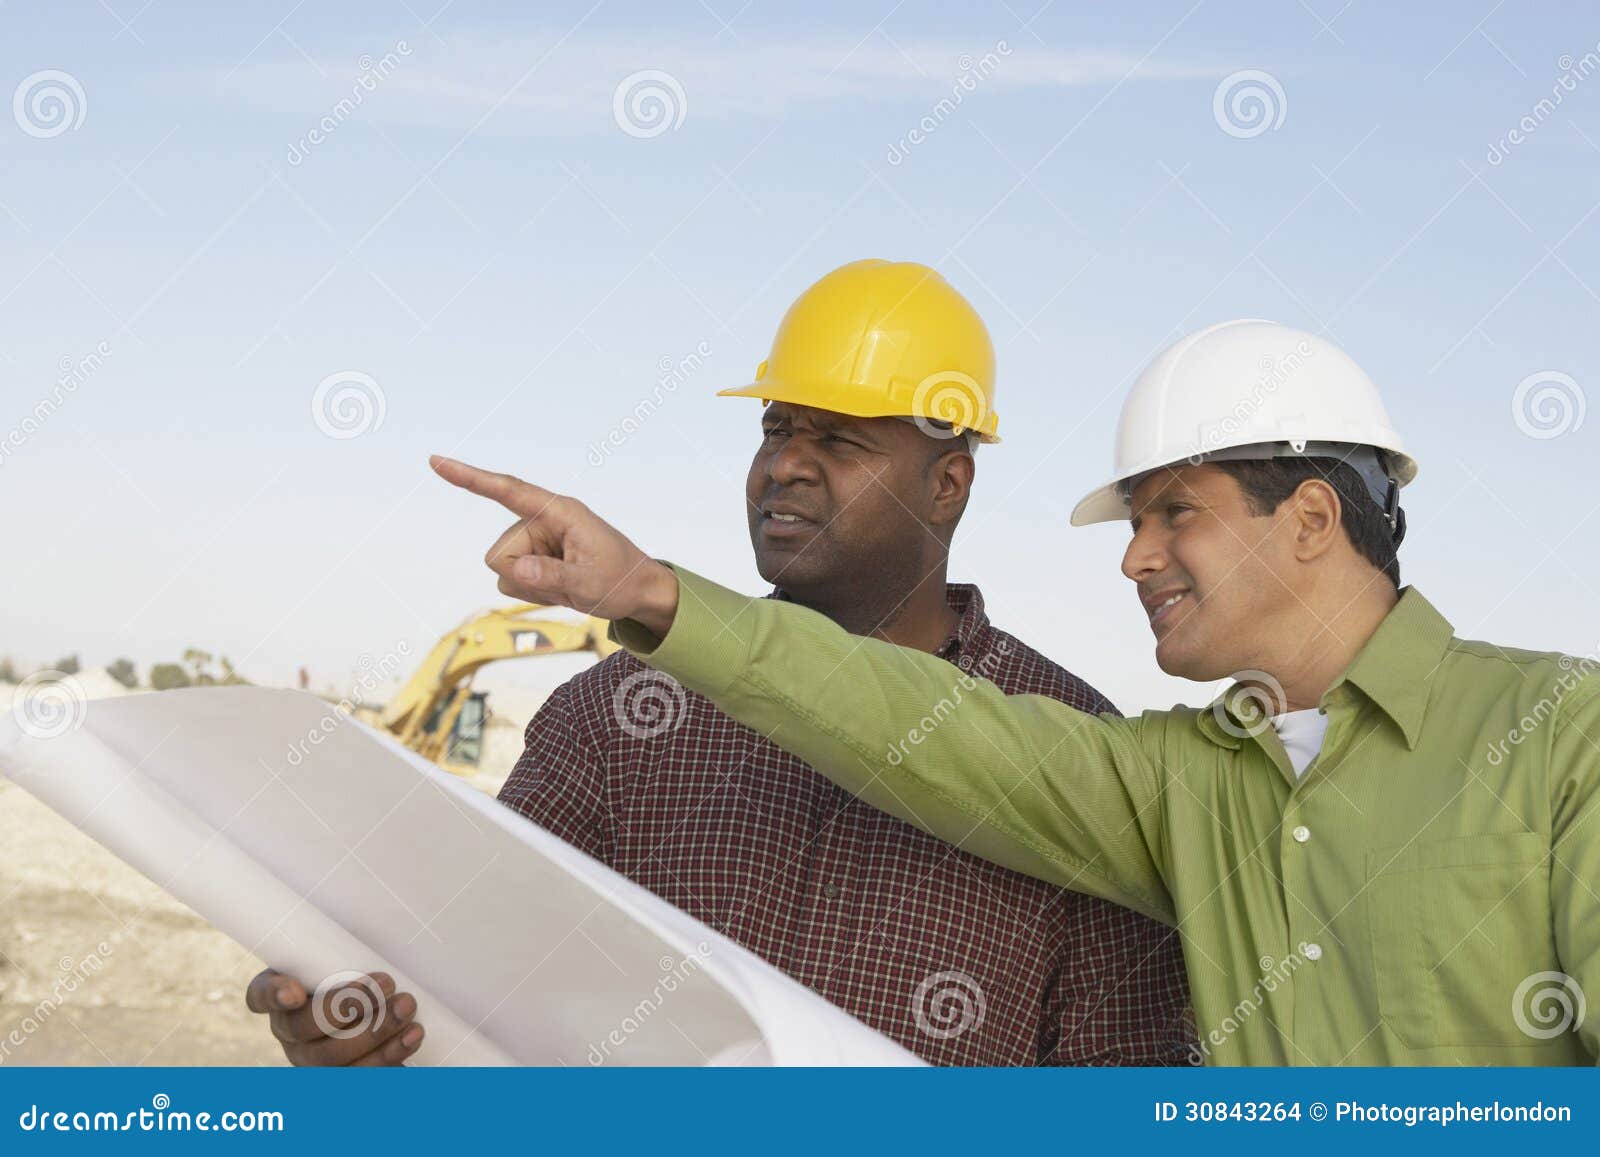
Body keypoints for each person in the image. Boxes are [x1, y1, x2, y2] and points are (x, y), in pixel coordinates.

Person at [433, 318, 1600, 1065]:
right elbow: (916, 726)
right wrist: (648, 590)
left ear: (1307, 518)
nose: (1134, 558)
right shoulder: (1172, 778)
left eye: (1172, 513)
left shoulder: (1562, 736)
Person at [249, 260, 1190, 1066]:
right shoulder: (615, 719)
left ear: (948, 483)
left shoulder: (1079, 767)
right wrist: (373, 1045)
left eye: (839, 439)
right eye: (777, 428)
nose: (785, 464)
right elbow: (477, 990)